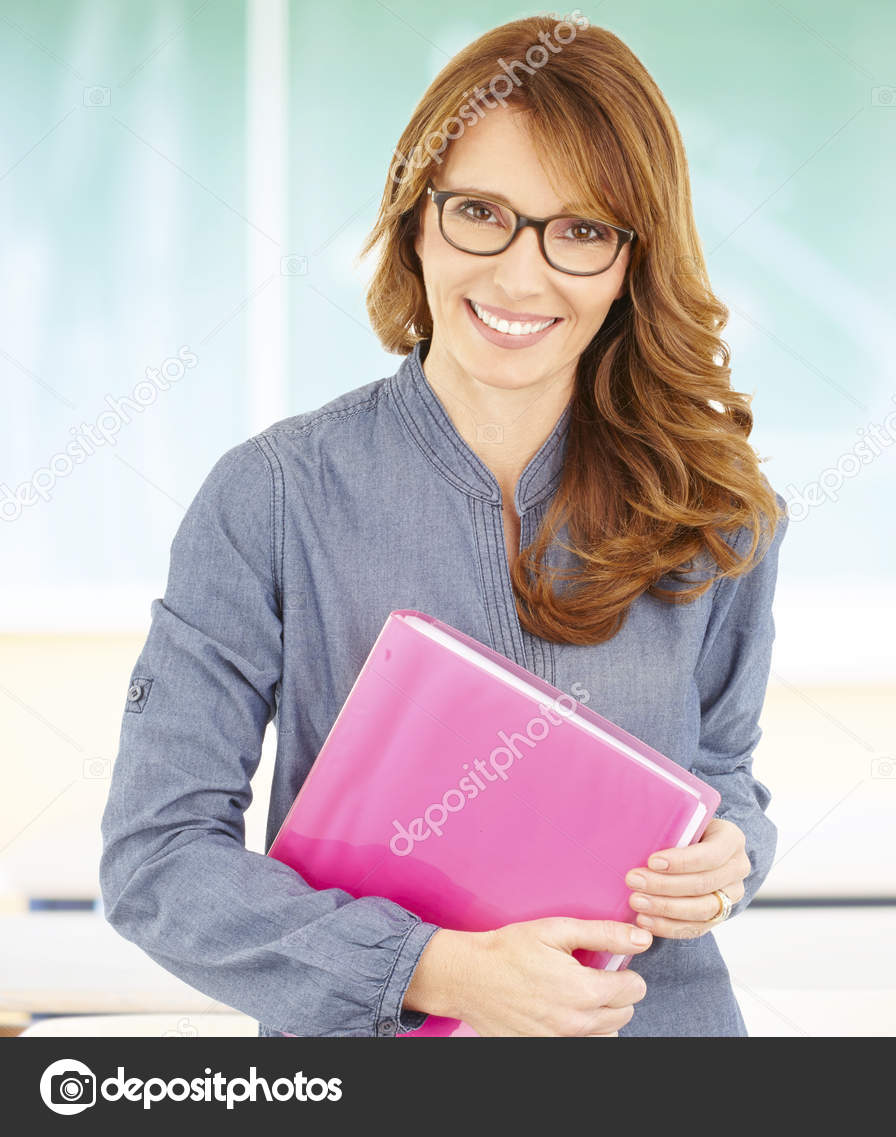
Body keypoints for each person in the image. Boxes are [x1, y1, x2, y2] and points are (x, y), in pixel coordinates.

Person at [99, 12, 788, 1037]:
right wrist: (434, 969)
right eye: (480, 212)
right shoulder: (272, 497)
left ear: (632, 261)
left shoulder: (716, 509)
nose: (520, 276)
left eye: (582, 229)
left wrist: (729, 860)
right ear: (414, 218)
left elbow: (722, 779)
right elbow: (156, 862)